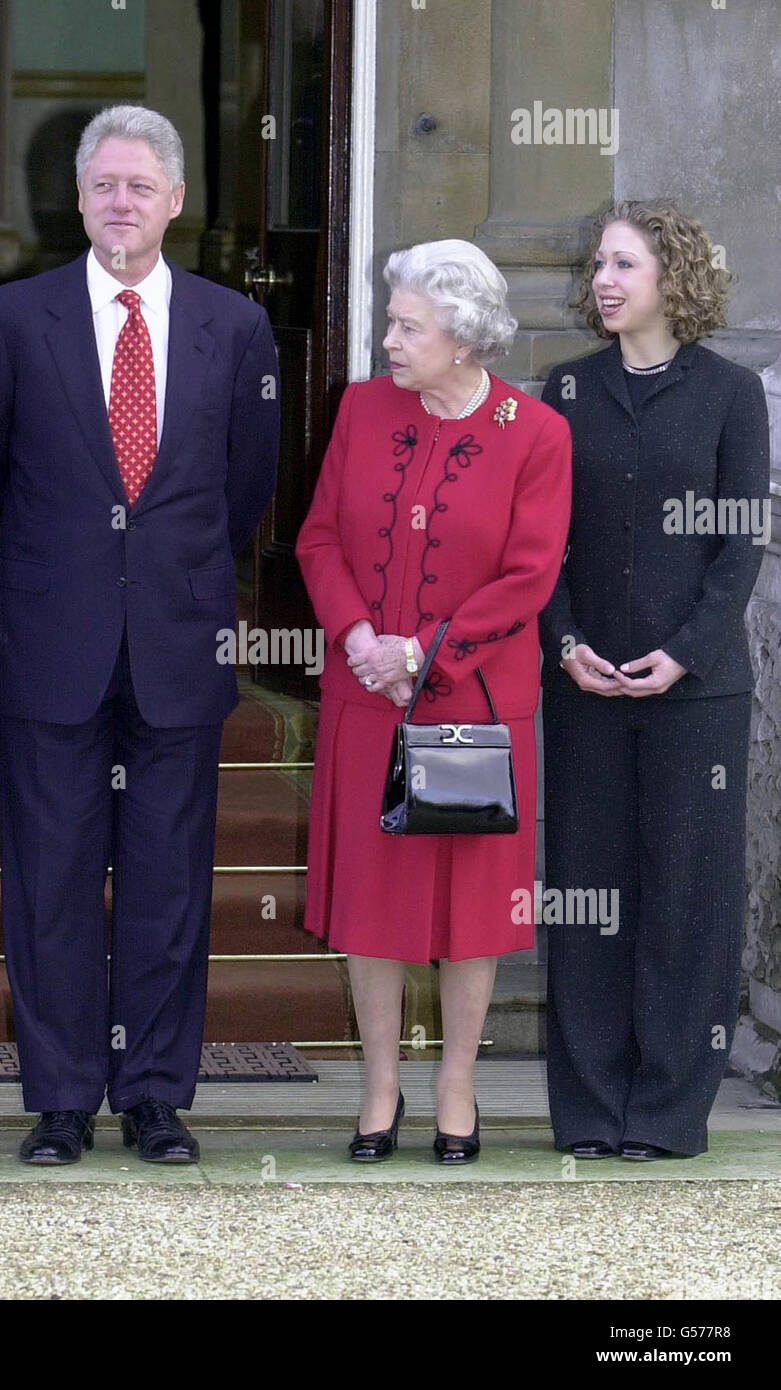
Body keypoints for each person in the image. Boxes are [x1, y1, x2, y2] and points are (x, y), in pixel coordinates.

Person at [0, 105, 279, 1165]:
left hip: (180, 646)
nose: (121, 202)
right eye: (104, 186)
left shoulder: (235, 328)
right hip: (52, 642)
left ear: (175, 200)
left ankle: (154, 1096)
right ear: (78, 198)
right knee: (46, 878)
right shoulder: (7, 320)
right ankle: (58, 1098)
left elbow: (245, 488)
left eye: (141, 185)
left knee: (169, 885)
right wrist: (64, 573)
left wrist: (161, 576)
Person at [295, 240, 571, 1162]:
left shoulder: (535, 433)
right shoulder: (362, 410)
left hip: (477, 702)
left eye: (407, 326)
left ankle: (455, 1086)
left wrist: (426, 650)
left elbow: (528, 578)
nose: (387, 341)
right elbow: (319, 540)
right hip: (367, 696)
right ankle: (380, 1090)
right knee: (372, 905)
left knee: (470, 908)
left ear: (463, 339)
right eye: (391, 322)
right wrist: (361, 640)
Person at [539, 199, 769, 1161]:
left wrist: (681, 653)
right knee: (589, 895)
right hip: (583, 685)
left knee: (683, 897)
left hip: (696, 693)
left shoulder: (729, 394)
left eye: (623, 265)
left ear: (673, 279)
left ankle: (668, 1115)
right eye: (598, 264)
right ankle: (591, 1112)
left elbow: (737, 545)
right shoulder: (563, 391)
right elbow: (534, 542)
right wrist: (563, 645)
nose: (603, 280)